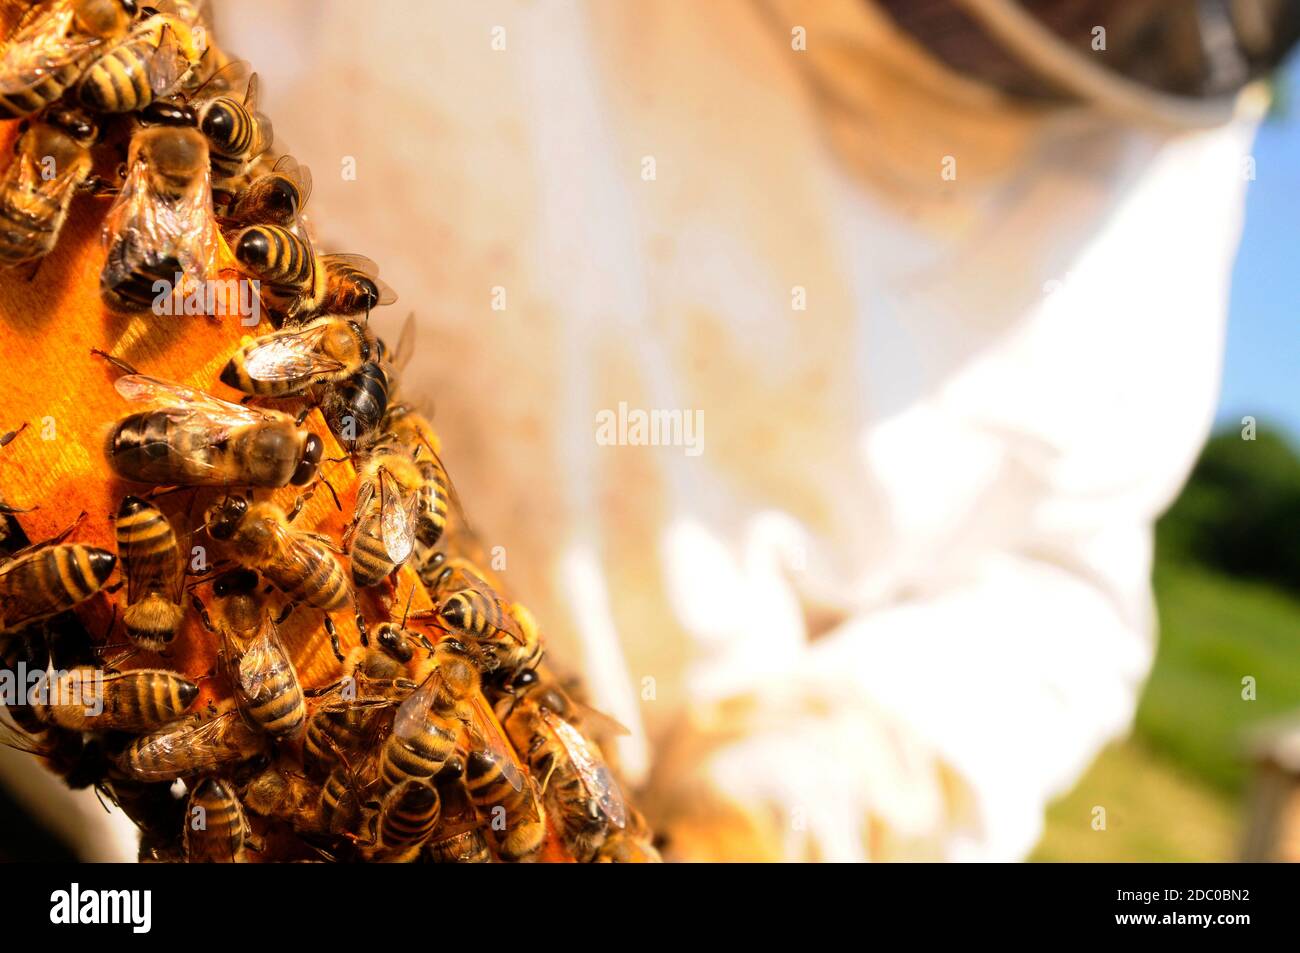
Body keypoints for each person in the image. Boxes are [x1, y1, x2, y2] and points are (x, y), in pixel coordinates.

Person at [191, 0, 1288, 860]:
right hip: (143, 549)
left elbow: (1061, 582)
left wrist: (821, 783)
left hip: (562, 799)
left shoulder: (1174, 178)